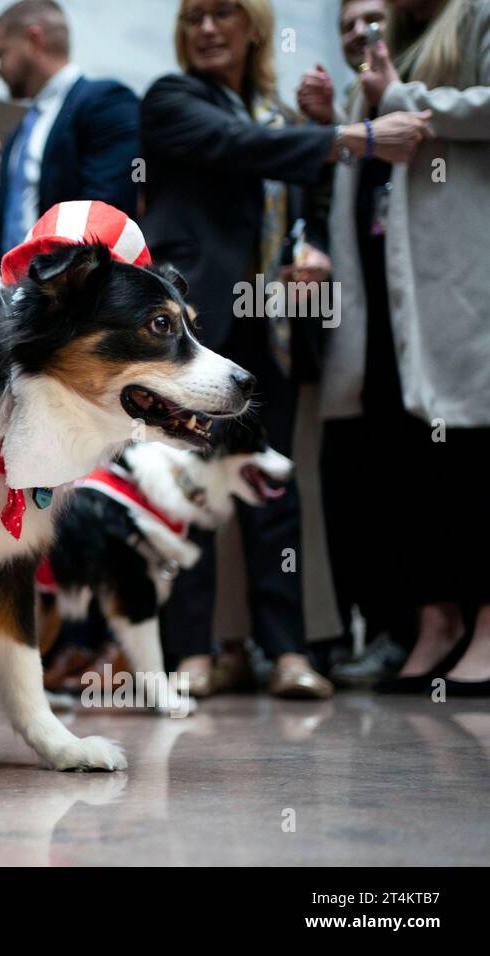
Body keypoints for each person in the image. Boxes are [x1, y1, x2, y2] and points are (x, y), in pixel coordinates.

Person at [139, 0, 432, 699]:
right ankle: (192, 653)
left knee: (273, 482)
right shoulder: (172, 98)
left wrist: (313, 252)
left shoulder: (278, 115)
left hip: (269, 319)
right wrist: (353, 133)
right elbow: (240, 148)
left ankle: (289, 651)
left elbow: (305, 199)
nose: (208, 29)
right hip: (194, 325)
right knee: (181, 480)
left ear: (253, 27)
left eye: (223, 15)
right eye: (195, 19)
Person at [314, 0, 490, 696]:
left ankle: (486, 626)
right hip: (392, 291)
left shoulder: (476, 14)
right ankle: (437, 621)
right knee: (411, 458)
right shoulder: (404, 39)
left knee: (472, 449)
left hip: (455, 278)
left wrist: (403, 99)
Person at [297, 0, 415, 687]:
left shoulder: (412, 94)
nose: (359, 33)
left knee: (411, 478)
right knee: (350, 487)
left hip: (412, 331)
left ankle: (409, 630)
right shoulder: (347, 109)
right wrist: (324, 130)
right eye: (345, 25)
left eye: (372, 18)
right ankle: (366, 631)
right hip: (354, 333)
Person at [0, 0, 141, 256]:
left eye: (2, 53)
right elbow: (0, 225)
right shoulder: (19, 134)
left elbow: (103, 214)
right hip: (8, 287)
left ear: (34, 40)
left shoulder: (106, 102)